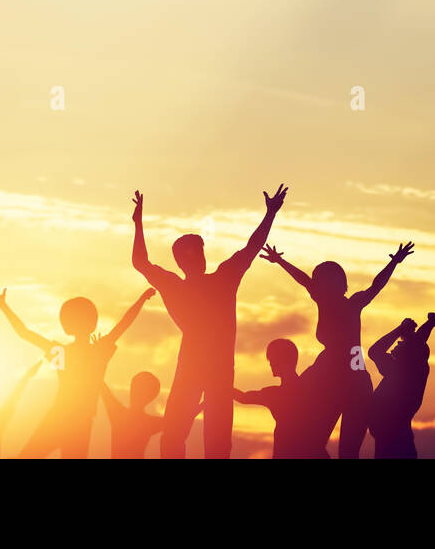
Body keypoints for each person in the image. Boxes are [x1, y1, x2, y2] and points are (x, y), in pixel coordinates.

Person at [130, 184, 288, 458]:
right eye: (193, 253)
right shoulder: (214, 280)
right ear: (183, 261)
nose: (198, 258)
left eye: (198, 251)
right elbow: (141, 262)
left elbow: (140, 262)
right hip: (201, 369)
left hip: (209, 370)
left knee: (199, 440)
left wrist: (139, 224)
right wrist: (270, 214)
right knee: (188, 438)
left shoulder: (210, 281)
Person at [260, 239, 413, 458]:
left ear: (335, 284)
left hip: (352, 382)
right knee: (312, 444)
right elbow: (303, 280)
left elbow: (376, 286)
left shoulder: (353, 304)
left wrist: (394, 263)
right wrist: (280, 261)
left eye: (320, 281)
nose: (315, 286)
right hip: (334, 376)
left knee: (347, 452)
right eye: (317, 282)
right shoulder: (323, 300)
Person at [0, 287, 156, 458]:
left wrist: (4, 307)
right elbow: (123, 324)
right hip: (80, 421)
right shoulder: (98, 352)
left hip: (60, 416)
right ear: (93, 322)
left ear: (67, 324)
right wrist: (141, 299)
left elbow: (25, 333)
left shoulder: (63, 353)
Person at [233, 338, 327, 459]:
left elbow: (243, 398)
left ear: (281, 360)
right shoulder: (308, 387)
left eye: (272, 359)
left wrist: (221, 386)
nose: (270, 364)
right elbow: (243, 398)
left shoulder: (273, 394)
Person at [367, 313, 435, 459]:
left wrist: (401, 329)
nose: (396, 345)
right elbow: (418, 341)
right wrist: (427, 325)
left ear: (408, 353)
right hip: (394, 441)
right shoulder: (411, 369)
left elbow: (374, 351)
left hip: (392, 444)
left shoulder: (401, 370)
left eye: (401, 344)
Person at [100, 372, 167, 459]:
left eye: (137, 388)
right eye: (133, 386)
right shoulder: (149, 423)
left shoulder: (118, 413)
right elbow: (175, 419)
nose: (133, 391)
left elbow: (103, 388)